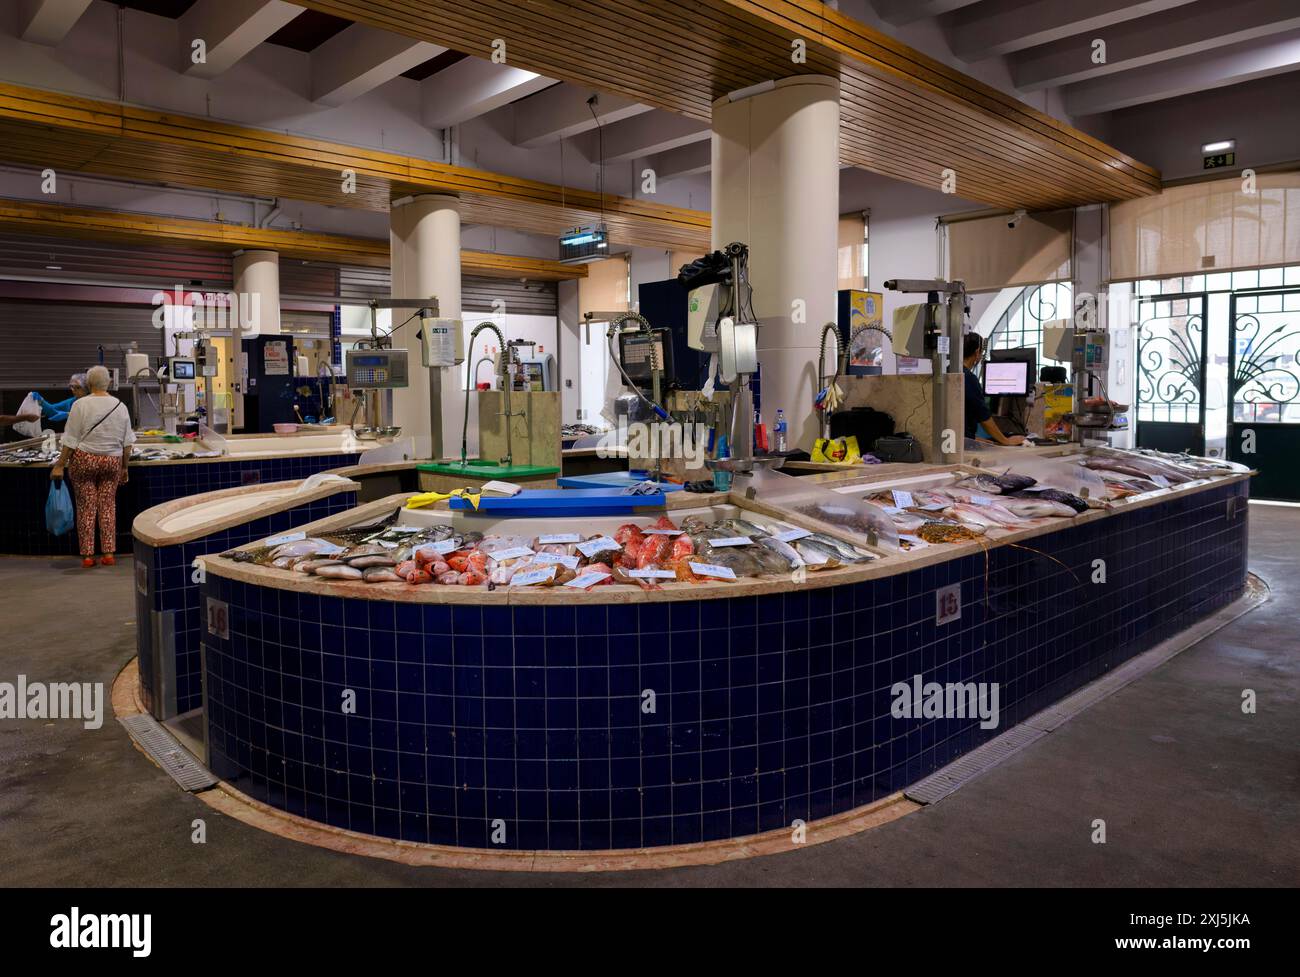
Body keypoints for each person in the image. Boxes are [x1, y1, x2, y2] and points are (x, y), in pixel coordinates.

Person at [50, 365, 135, 568]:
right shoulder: (120, 406)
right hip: (112, 461)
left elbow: (70, 440)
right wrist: (125, 468)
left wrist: (60, 465)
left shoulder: (80, 405)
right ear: (108, 383)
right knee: (107, 506)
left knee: (86, 507)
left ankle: (88, 556)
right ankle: (108, 553)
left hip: (85, 461)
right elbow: (127, 444)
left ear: (88, 384)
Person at [962, 333, 1025, 446]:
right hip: (962, 445)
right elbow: (984, 418)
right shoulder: (969, 378)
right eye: (981, 353)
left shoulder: (948, 372)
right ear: (977, 353)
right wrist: (1006, 441)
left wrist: (971, 437)